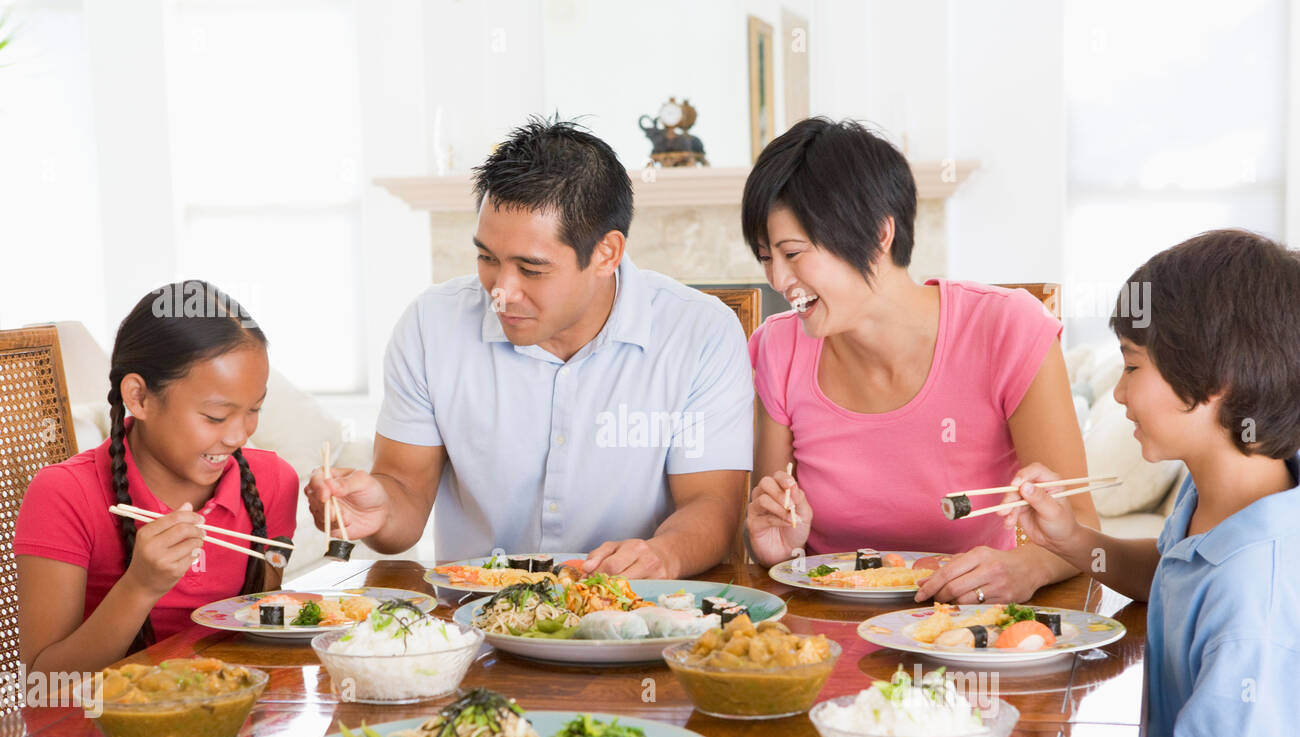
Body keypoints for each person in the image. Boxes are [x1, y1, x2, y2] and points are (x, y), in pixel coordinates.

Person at [306, 118, 753, 578]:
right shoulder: (430, 325)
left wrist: (666, 554)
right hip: (473, 620)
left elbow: (713, 505)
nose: (502, 290)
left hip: (637, 617)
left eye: (531, 269)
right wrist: (378, 510)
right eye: (487, 258)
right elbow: (403, 495)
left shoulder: (701, 332)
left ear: (606, 254)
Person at [1011, 230, 1300, 737]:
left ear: (1216, 379)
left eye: (1133, 365)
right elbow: (1169, 570)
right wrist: (1073, 539)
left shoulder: (1258, 589)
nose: (1118, 392)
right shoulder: (1222, 492)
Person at [741, 118, 1098, 603]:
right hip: (823, 629)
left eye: (792, 253)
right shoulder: (777, 348)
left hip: (961, 628)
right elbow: (772, 536)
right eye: (766, 258)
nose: (779, 280)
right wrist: (778, 549)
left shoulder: (1007, 329)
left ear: (878, 233)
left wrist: (1027, 568)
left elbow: (1079, 530)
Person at [15, 281, 298, 674]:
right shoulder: (64, 494)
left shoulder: (274, 481)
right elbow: (44, 682)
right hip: (112, 726)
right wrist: (140, 586)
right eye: (215, 416)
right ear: (139, 397)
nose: (238, 436)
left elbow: (262, 631)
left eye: (254, 410)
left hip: (236, 713)